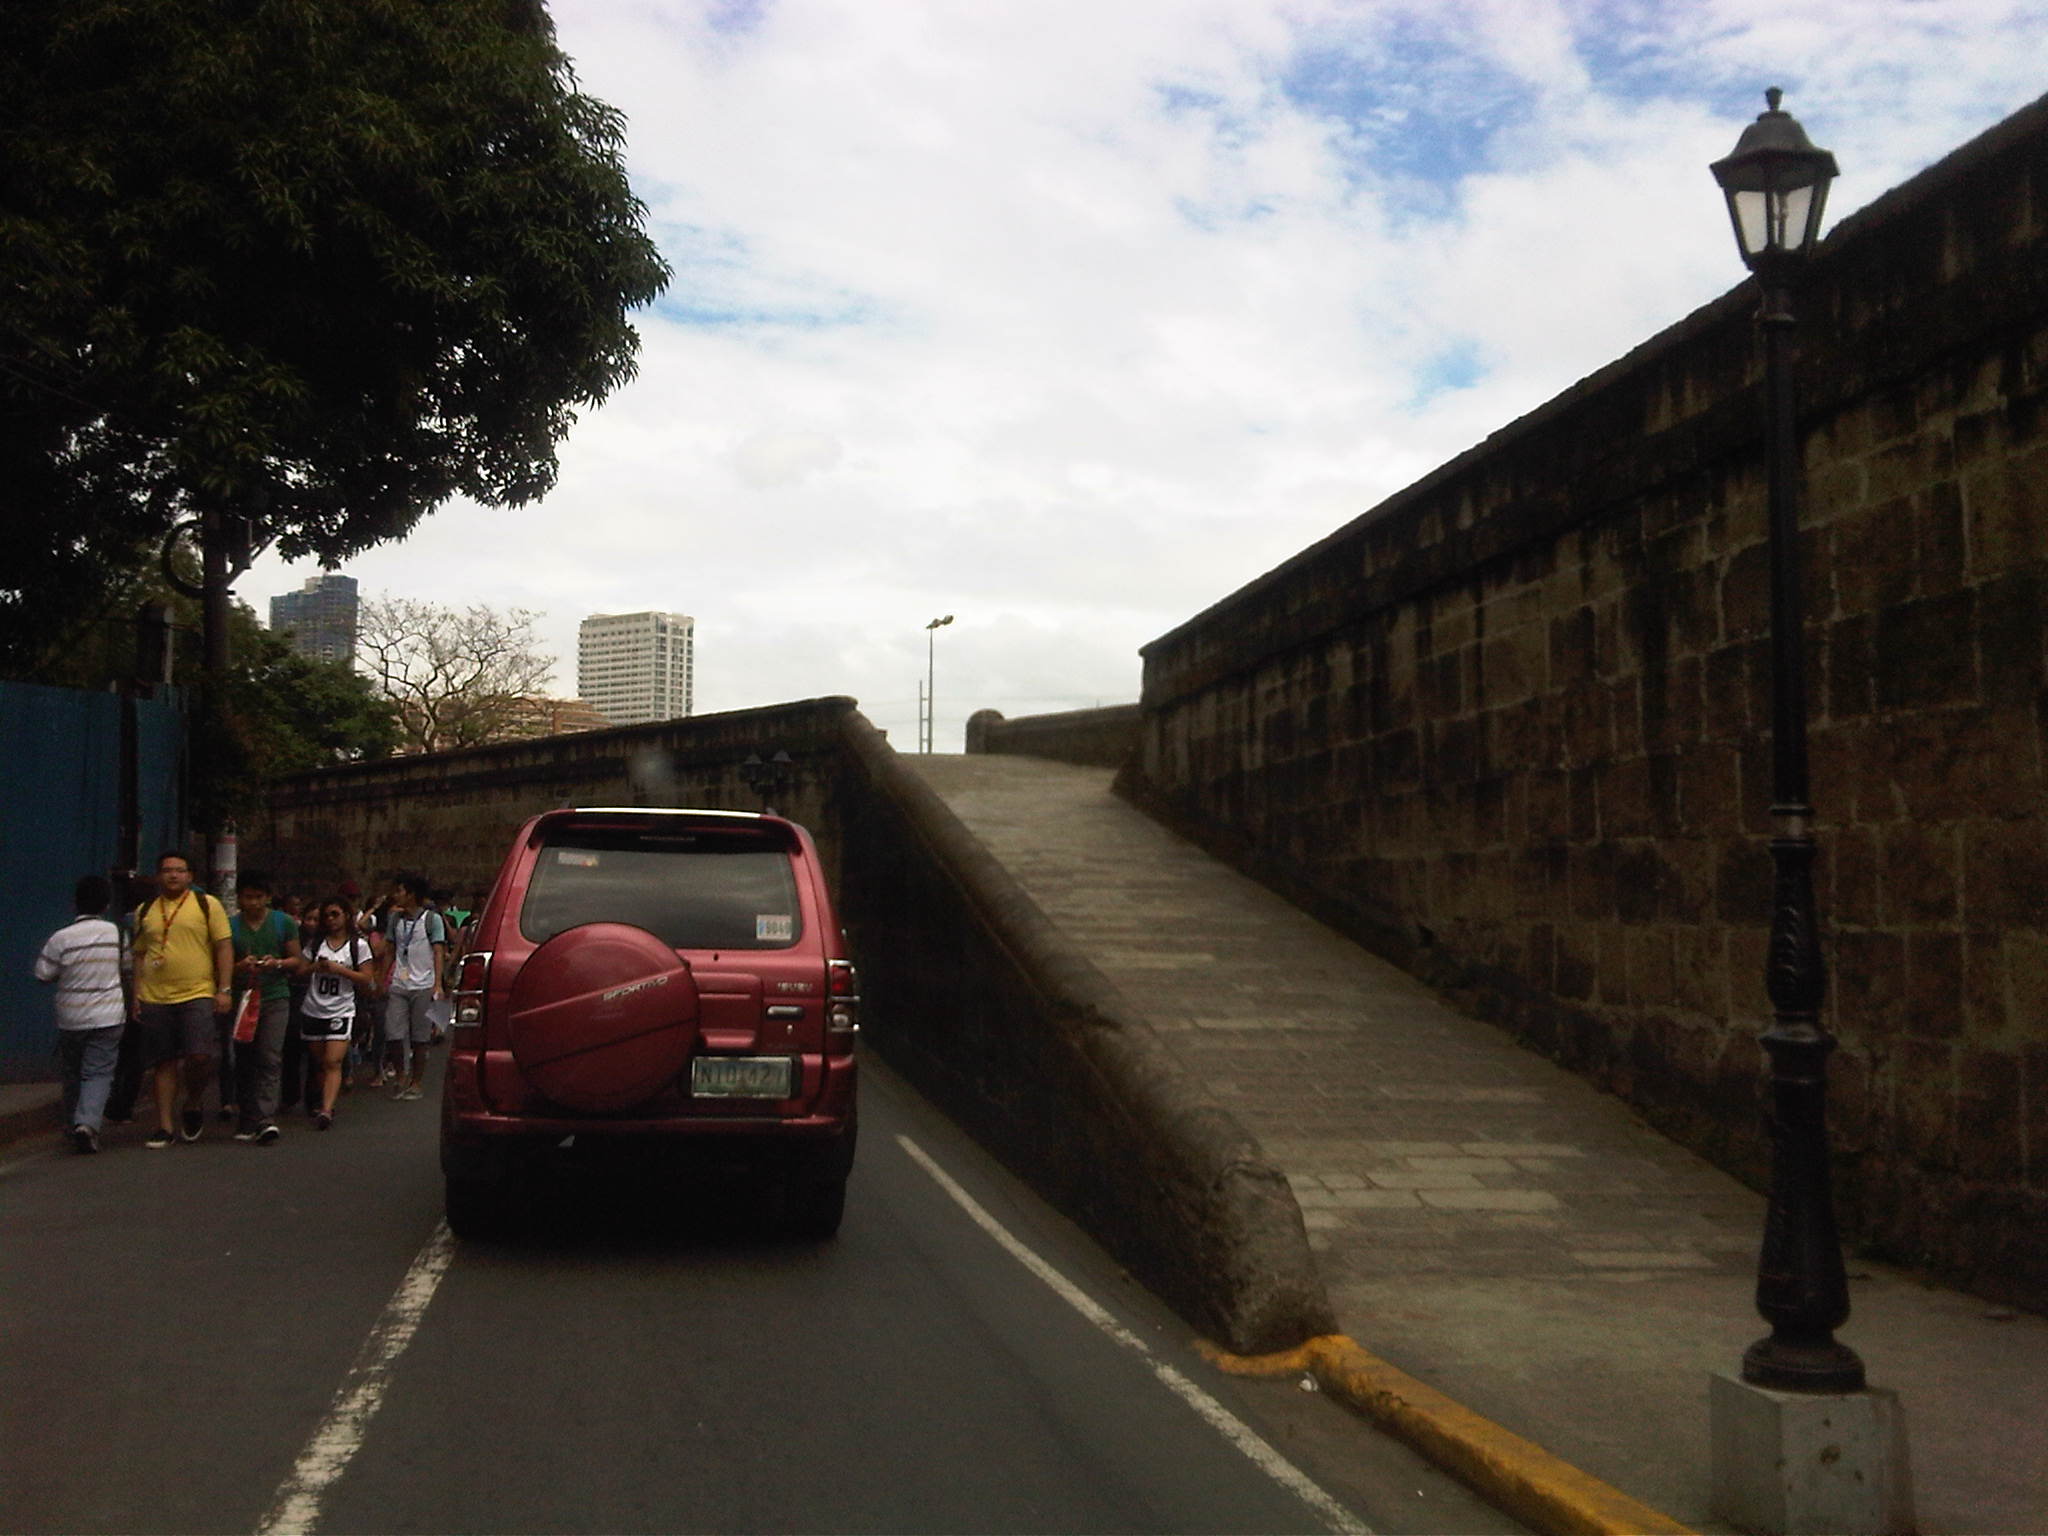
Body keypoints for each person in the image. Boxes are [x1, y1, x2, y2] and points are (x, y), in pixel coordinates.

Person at [130, 851, 233, 1148]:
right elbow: (139, 954)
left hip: (197, 992)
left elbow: (224, 947)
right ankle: (164, 1125)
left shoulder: (206, 905)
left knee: (199, 1056)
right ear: (158, 876)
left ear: (190, 876)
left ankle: (194, 1101)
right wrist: (136, 994)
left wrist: (223, 989)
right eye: (166, 870)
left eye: (179, 870)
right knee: (163, 1061)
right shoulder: (145, 910)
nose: (173, 875)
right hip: (155, 995)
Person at [34, 874, 130, 1153]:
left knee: (73, 1072)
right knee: (98, 1072)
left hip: (71, 1018)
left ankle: (71, 1125)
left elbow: (42, 974)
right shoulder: (117, 934)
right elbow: (126, 968)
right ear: (106, 904)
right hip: (109, 1016)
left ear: (76, 904)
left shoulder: (60, 938)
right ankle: (86, 1124)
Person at [228, 872, 301, 1145]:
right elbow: (221, 966)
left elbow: (298, 960)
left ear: (267, 898)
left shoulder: (283, 923)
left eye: (259, 897)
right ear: (240, 899)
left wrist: (278, 963)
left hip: (275, 996)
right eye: (248, 897)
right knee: (243, 1058)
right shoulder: (231, 927)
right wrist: (239, 967)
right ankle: (247, 1115)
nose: (254, 903)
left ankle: (265, 1118)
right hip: (243, 1000)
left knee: (270, 1056)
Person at [295, 899, 376, 1129]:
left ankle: (326, 1110)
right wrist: (316, 967)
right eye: (327, 916)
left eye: (335, 914)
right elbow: (300, 971)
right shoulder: (315, 944)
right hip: (314, 1007)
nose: (331, 920)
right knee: (321, 1061)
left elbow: (366, 977)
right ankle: (324, 1099)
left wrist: (340, 970)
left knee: (333, 1060)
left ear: (346, 916)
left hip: (341, 1008)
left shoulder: (357, 946)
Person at [377, 874, 447, 1100]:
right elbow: (389, 950)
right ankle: (400, 1074)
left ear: (411, 894)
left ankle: (416, 1082)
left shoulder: (431, 919)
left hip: (423, 984)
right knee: (393, 1032)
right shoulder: (396, 920)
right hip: (399, 981)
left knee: (420, 1037)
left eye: (400, 890)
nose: (396, 895)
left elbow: (438, 951)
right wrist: (382, 978)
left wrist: (438, 983)